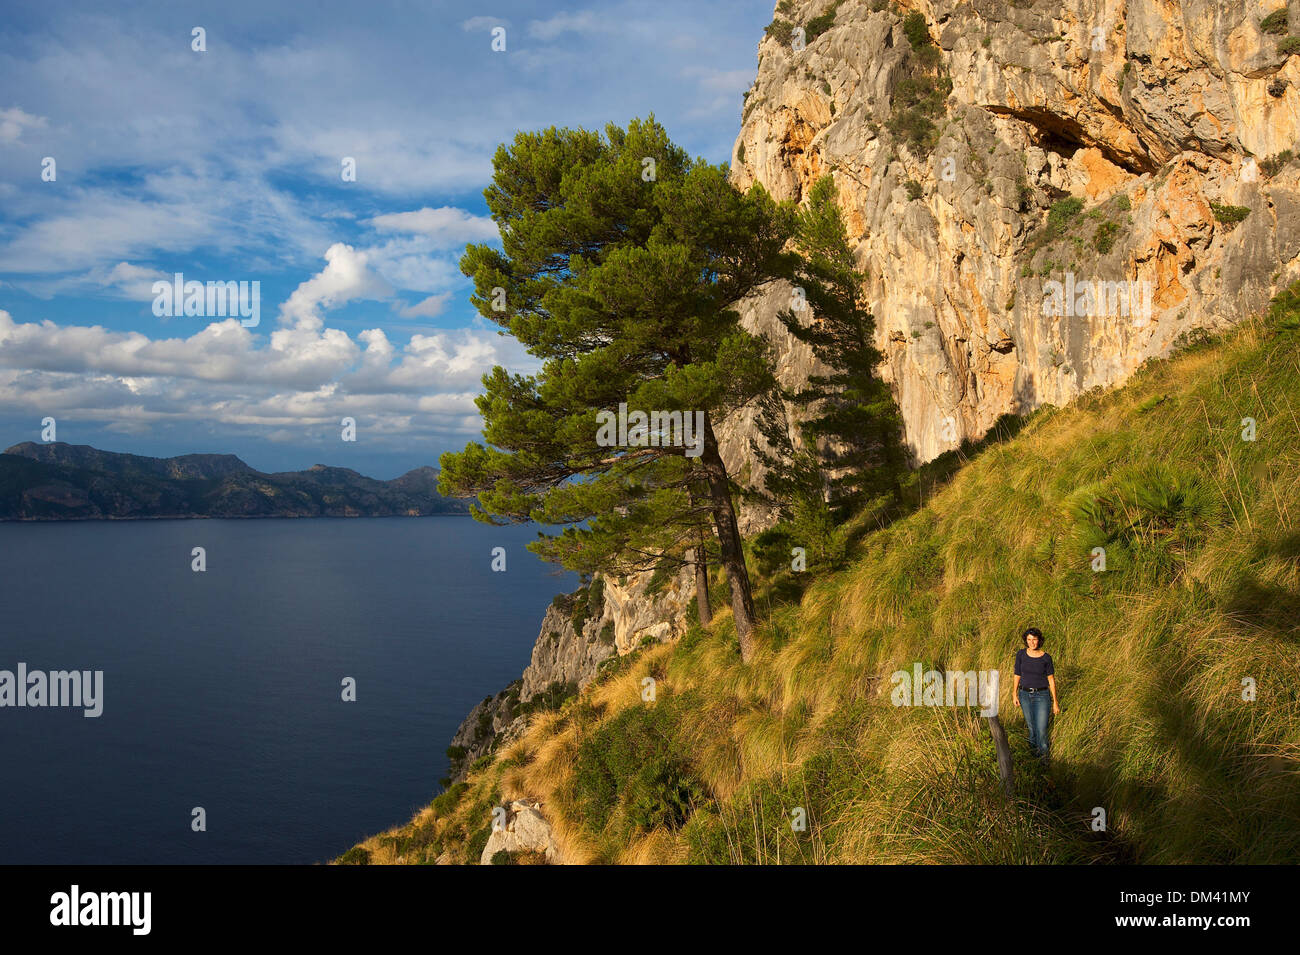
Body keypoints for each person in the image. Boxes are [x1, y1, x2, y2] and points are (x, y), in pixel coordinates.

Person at [1012, 627, 1059, 762]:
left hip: (1042, 696)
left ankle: (1044, 762)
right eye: (1029, 640)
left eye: (1035, 639)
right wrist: (1014, 694)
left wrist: (1055, 702)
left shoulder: (1046, 658)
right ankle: (1033, 761)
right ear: (1026, 641)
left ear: (1039, 640)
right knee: (1032, 729)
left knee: (1041, 730)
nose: (1032, 642)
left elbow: (1051, 680)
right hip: (1024, 695)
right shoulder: (1021, 654)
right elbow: (1017, 674)